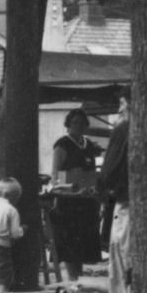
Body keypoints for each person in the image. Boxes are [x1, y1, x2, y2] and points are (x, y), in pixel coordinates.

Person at [51, 108, 104, 281]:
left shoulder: (88, 144)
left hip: (87, 201)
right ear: (68, 124)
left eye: (82, 123)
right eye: (75, 122)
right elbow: (56, 175)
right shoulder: (62, 144)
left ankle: (79, 279)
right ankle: (73, 278)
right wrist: (63, 190)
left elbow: (92, 175)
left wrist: (96, 195)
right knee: (71, 243)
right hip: (69, 202)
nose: (78, 126)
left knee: (85, 243)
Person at [99, 88, 131, 293]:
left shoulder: (123, 129)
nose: (120, 109)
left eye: (122, 103)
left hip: (126, 204)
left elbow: (108, 172)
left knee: (123, 264)